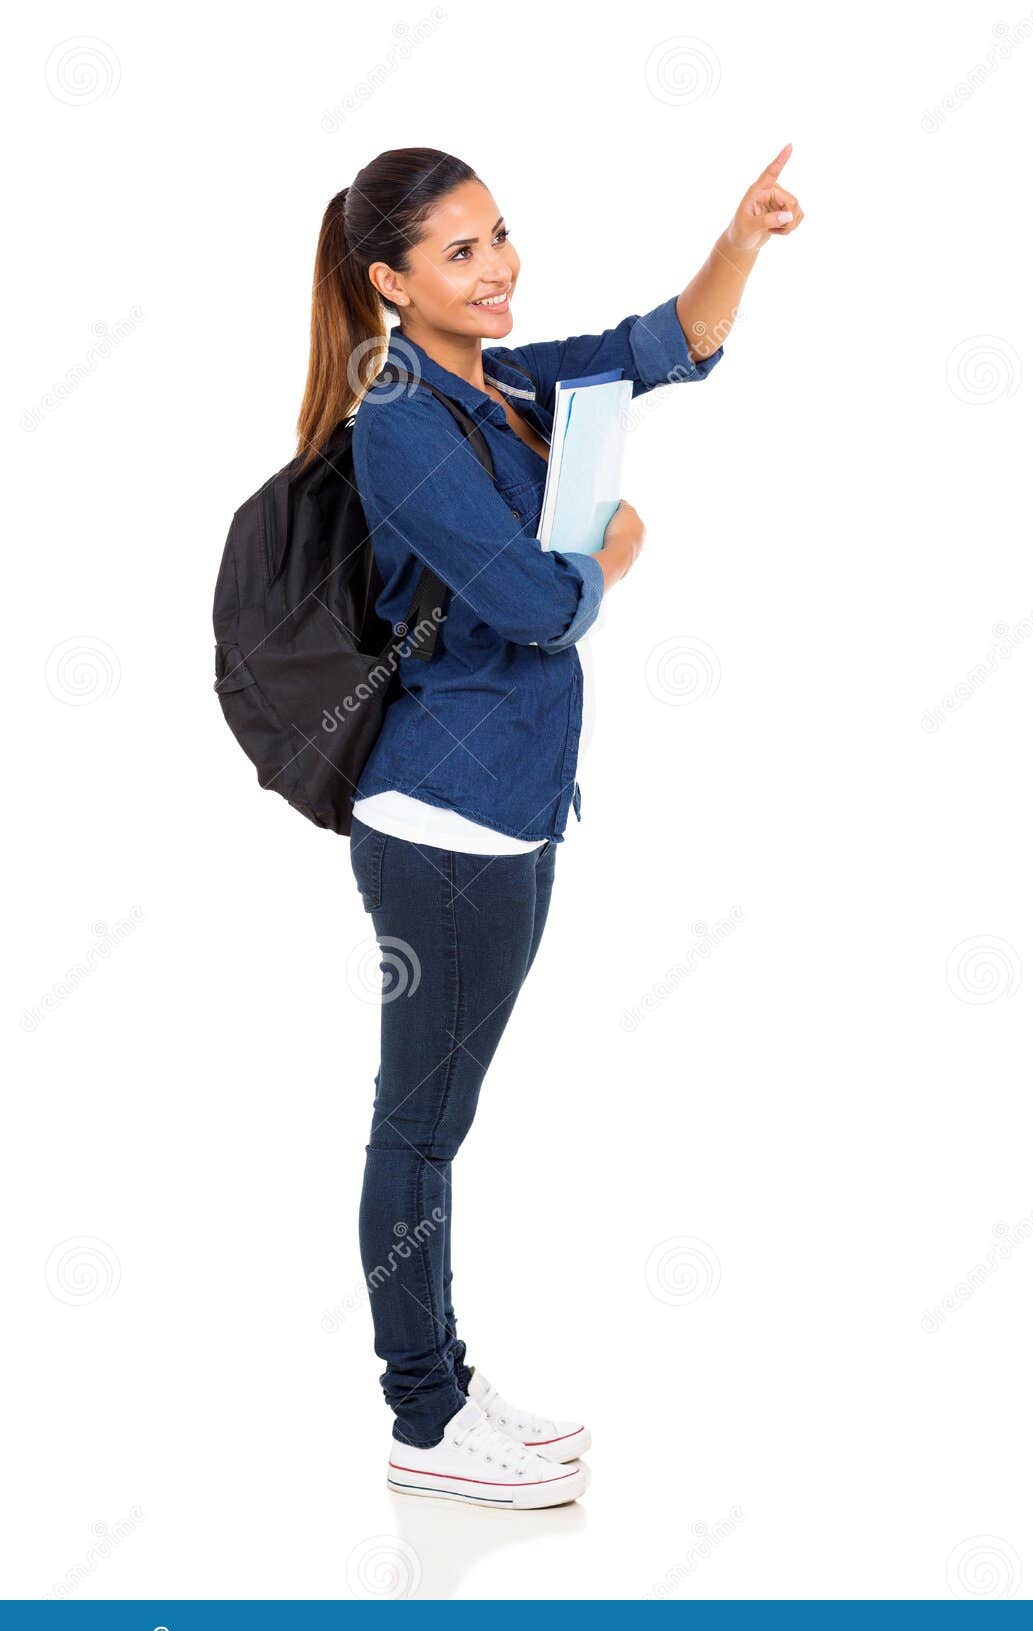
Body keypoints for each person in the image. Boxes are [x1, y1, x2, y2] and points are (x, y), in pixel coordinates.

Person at [295, 145, 803, 1508]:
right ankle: (424, 1411)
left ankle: (447, 1388)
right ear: (390, 282)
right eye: (458, 253)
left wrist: (740, 239)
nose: (498, 265)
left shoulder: (505, 380)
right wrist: (615, 550)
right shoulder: (399, 418)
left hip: (507, 810)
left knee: (434, 1119)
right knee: (419, 1129)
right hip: (442, 825)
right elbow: (533, 602)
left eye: (500, 234)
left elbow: (665, 344)